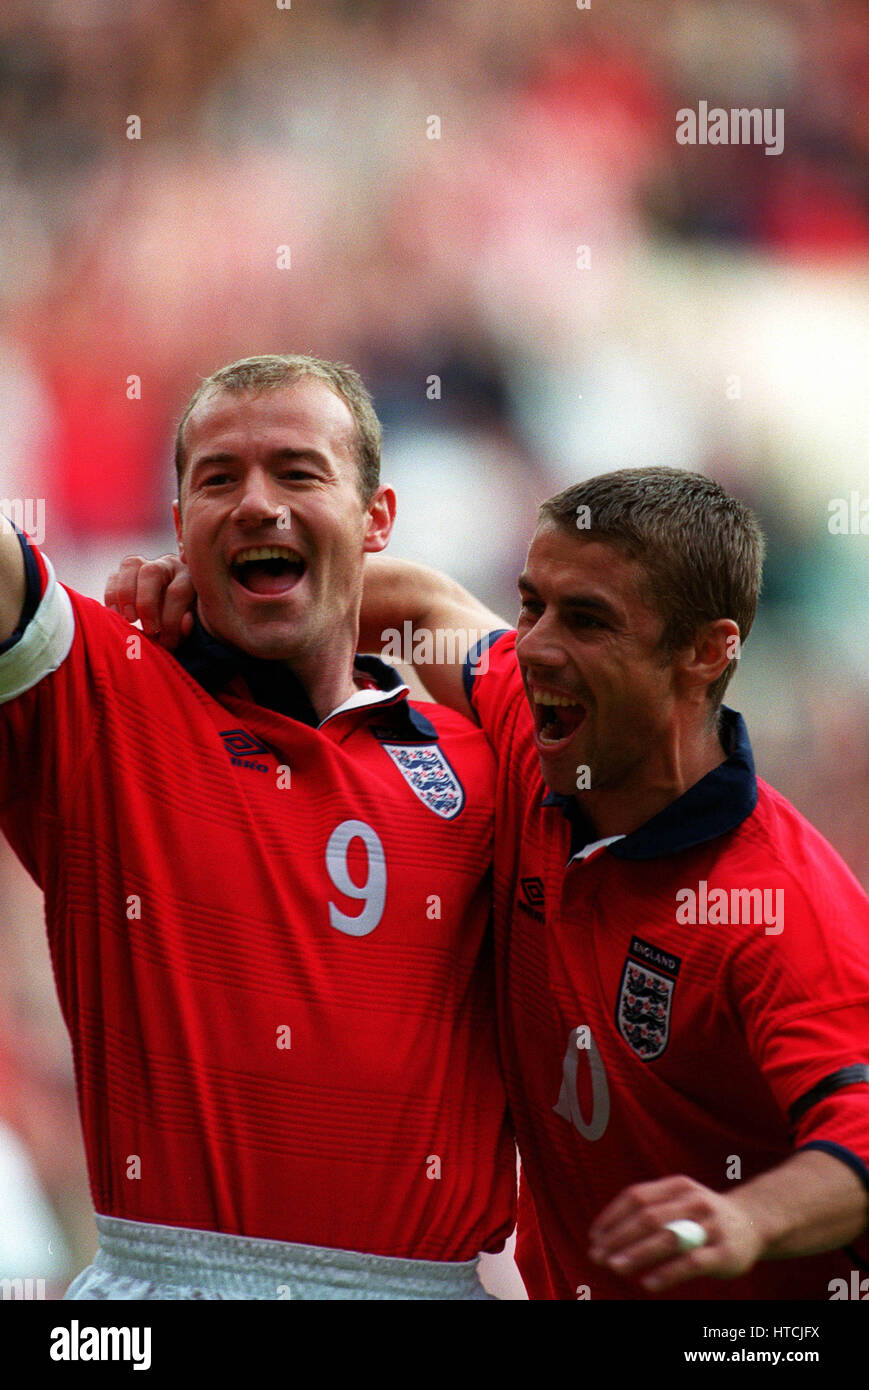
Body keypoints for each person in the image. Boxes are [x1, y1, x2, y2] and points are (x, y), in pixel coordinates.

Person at [109, 464, 869, 1300]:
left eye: (587, 620)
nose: (536, 646)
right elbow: (428, 605)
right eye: (531, 604)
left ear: (703, 651)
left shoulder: (778, 907)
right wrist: (221, 601)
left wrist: (744, 1222)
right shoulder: (534, 730)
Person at [0, 352, 515, 1300]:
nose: (256, 503)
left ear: (378, 520)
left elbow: (638, 739)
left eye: (298, 472)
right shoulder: (105, 702)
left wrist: (425, 605)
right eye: (218, 479)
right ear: (178, 529)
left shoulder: (485, 771)